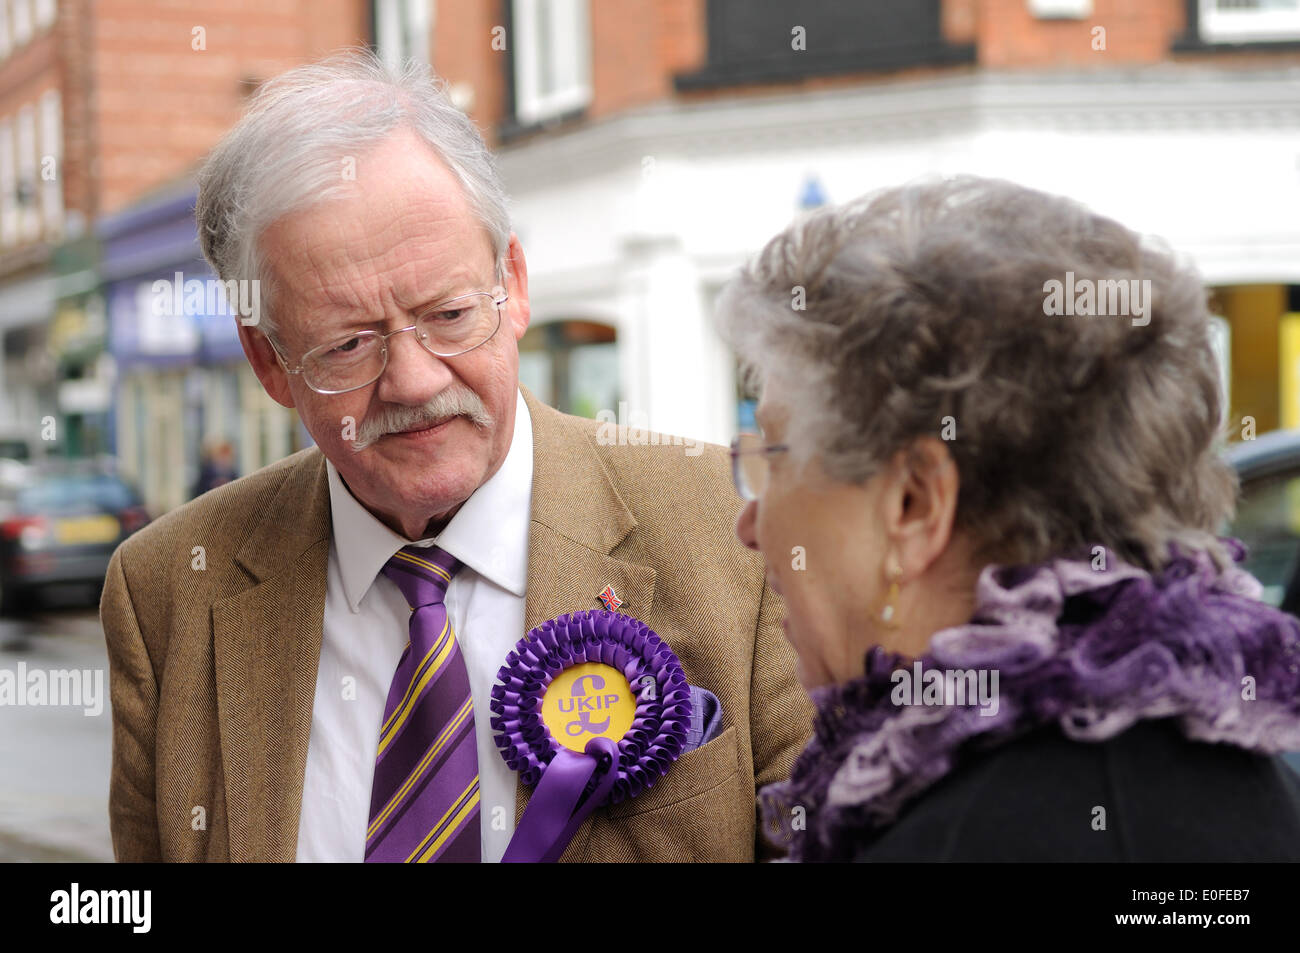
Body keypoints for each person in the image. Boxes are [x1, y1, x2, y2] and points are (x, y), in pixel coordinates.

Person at [99, 52, 813, 863]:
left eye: (447, 314)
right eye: (348, 344)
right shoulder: (165, 592)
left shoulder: (739, 527)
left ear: (514, 281)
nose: (413, 380)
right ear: (268, 360)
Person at [717, 176, 1300, 862]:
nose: (748, 525)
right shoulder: (1233, 765)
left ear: (914, 504)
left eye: (773, 456)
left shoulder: (973, 836)